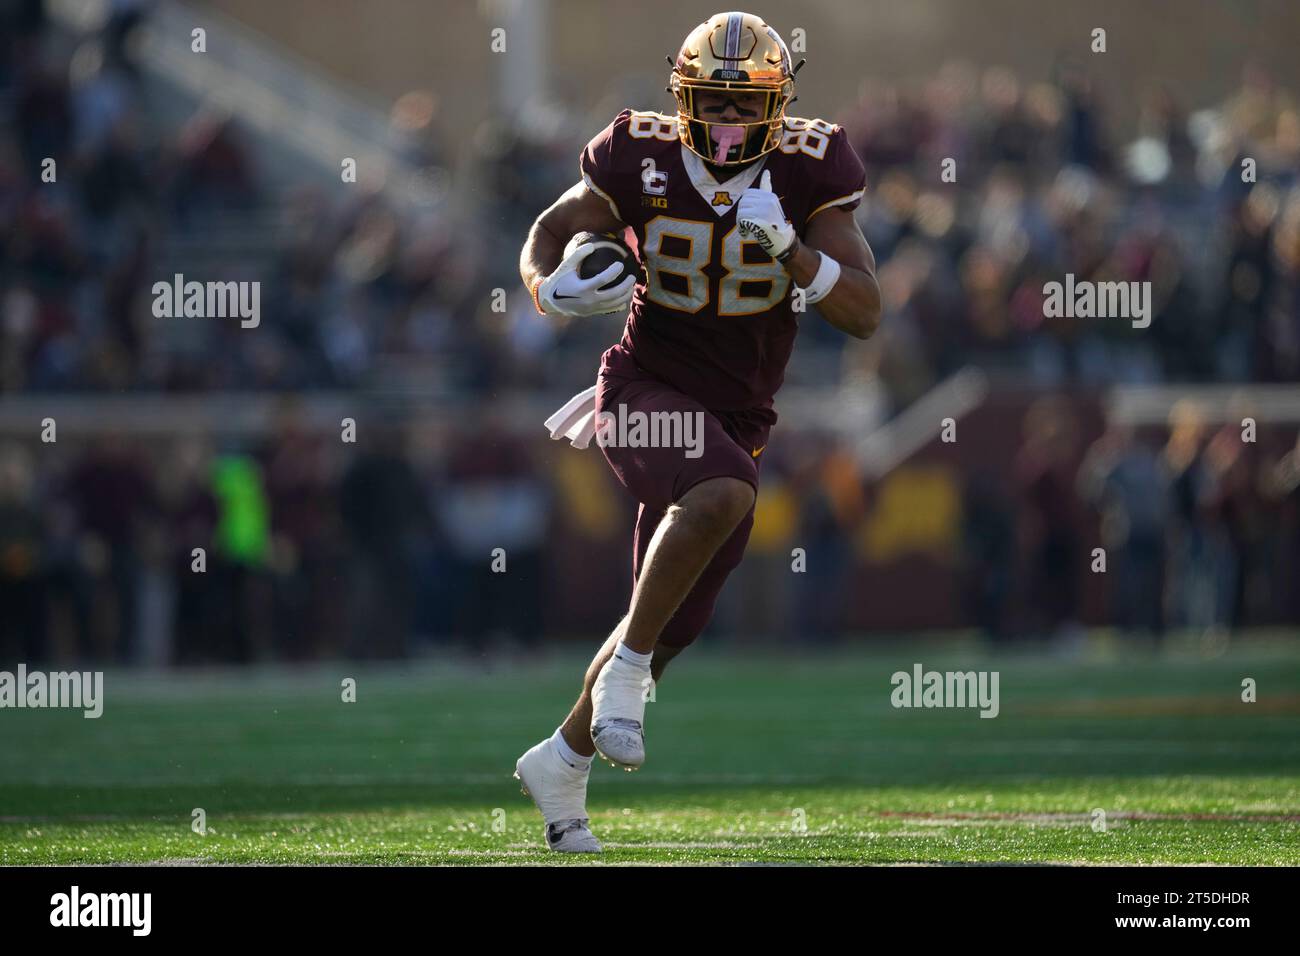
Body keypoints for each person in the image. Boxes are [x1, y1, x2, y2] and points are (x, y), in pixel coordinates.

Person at [514, 12, 881, 852]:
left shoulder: (808, 166)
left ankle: (562, 760)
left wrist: (789, 247)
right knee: (720, 493)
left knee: (674, 618)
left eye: (742, 104)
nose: (724, 124)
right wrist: (547, 289)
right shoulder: (634, 153)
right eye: (709, 102)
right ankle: (627, 681)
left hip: (739, 413)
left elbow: (864, 313)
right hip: (645, 387)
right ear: (679, 99)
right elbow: (548, 232)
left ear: (777, 105)